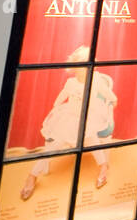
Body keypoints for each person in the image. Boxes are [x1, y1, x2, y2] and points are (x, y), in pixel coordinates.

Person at [20, 46, 118, 201]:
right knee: (57, 143)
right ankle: (32, 175)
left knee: (90, 136)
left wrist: (108, 108)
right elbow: (60, 99)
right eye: (80, 64)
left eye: (86, 63)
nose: (83, 68)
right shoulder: (71, 82)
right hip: (71, 116)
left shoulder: (97, 81)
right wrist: (56, 110)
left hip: (90, 116)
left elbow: (112, 98)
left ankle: (103, 167)